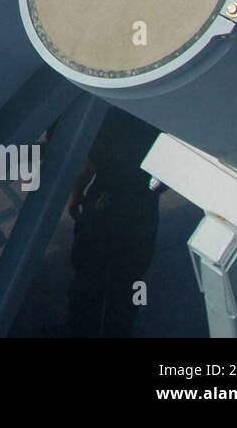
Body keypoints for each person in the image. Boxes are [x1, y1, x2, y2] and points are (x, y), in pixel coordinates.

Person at [64, 107, 164, 337]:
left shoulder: (117, 115)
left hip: (105, 206)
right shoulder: (165, 120)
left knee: (88, 278)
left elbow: (88, 166)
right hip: (143, 213)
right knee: (130, 284)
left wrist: (76, 196)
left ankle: (79, 331)